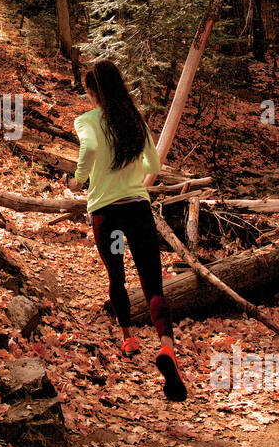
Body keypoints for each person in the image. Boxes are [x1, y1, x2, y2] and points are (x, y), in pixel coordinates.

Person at [67, 60, 188, 401]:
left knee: (117, 276)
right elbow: (155, 164)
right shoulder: (135, 118)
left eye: (89, 92)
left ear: (94, 92)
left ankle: (128, 337)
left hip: (107, 216)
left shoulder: (88, 120)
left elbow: (89, 150)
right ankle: (166, 347)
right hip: (137, 211)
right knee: (152, 283)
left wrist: (79, 178)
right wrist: (135, 178)